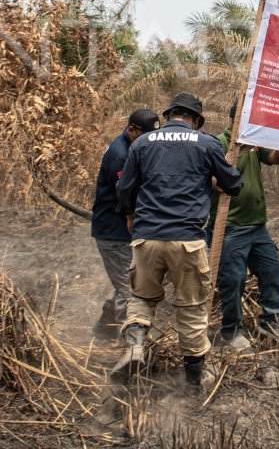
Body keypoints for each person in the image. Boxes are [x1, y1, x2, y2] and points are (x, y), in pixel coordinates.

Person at [114, 92, 242, 390]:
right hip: (187, 241)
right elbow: (233, 184)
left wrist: (130, 215)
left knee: (141, 299)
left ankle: (135, 347)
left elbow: (124, 189)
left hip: (147, 237)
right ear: (196, 120)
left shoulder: (142, 143)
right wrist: (216, 176)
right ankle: (194, 379)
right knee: (193, 307)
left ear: (169, 114)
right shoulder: (208, 143)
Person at [210, 100, 279, 351]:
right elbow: (213, 180)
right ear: (236, 120)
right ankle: (231, 331)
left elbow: (275, 159)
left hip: (257, 225)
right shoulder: (219, 143)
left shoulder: (255, 142)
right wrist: (237, 150)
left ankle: (271, 323)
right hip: (230, 227)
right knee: (233, 280)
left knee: (272, 272)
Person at [89, 108, 159, 339]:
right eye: (144, 137)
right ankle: (128, 345)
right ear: (131, 130)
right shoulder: (120, 154)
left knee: (125, 281)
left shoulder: (132, 147)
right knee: (129, 291)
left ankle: (102, 331)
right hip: (114, 232)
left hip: (122, 230)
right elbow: (125, 195)